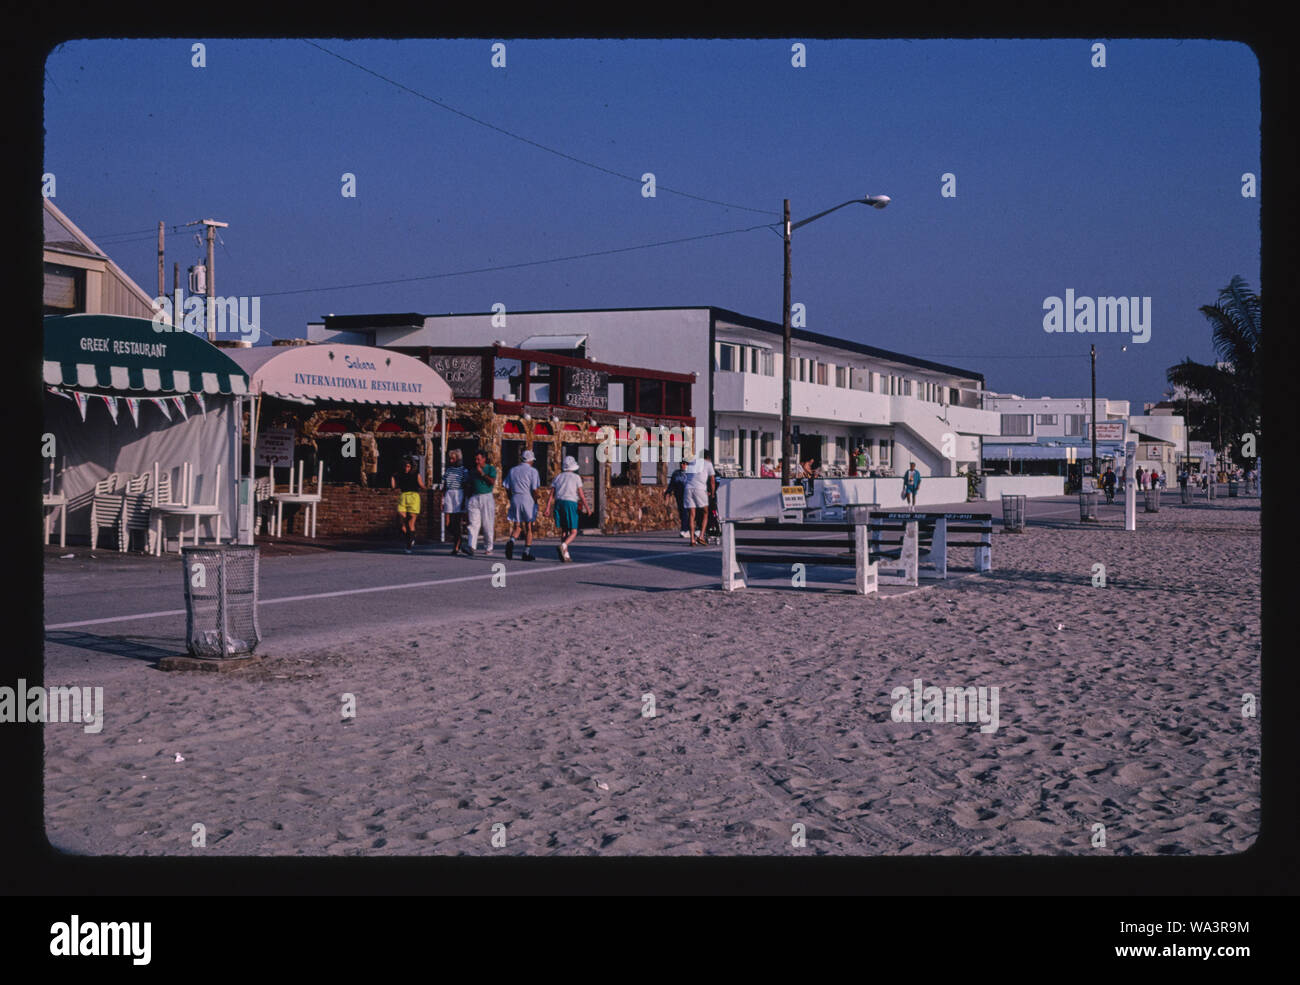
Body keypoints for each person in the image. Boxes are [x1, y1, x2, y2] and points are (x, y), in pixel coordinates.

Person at [548, 455, 588, 562]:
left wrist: (548, 508)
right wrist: (587, 507)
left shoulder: (558, 477)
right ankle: (564, 545)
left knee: (564, 530)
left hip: (559, 503)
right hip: (570, 503)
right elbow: (581, 494)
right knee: (574, 531)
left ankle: (566, 555)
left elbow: (551, 494)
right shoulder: (576, 477)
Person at [504, 450, 541, 561]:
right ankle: (526, 552)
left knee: (517, 526)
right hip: (527, 498)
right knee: (529, 527)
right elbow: (534, 489)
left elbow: (506, 486)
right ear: (531, 460)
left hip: (515, 497)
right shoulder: (533, 471)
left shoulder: (513, 470)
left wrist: (511, 497)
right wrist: (536, 500)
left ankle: (512, 541)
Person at [464, 450, 497, 556]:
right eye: (476, 459)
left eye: (479, 459)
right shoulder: (472, 471)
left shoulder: (490, 469)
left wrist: (482, 473)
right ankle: (471, 546)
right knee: (473, 523)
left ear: (484, 459)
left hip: (486, 497)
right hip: (474, 497)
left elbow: (492, 481)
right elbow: (469, 485)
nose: (477, 461)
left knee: (487, 523)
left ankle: (488, 547)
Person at [391, 456, 426, 553]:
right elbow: (394, 486)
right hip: (403, 496)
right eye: (405, 466)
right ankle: (411, 536)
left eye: (408, 466)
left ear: (411, 467)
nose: (406, 468)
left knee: (411, 522)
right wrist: (392, 478)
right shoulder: (400, 475)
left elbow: (421, 485)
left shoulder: (416, 474)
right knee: (401, 520)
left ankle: (409, 544)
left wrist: (428, 488)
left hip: (414, 497)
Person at [685, 449, 716, 546]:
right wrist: (712, 492)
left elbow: (688, 476)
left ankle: (692, 540)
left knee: (692, 514)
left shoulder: (691, 463)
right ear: (707, 457)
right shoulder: (708, 464)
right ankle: (701, 536)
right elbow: (712, 481)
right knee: (705, 512)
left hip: (688, 488)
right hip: (700, 489)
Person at [442, 449, 469, 555]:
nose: (451, 460)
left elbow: (466, 485)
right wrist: (442, 499)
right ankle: (459, 539)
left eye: (453, 458)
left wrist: (464, 500)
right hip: (449, 494)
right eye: (450, 458)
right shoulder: (448, 470)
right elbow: (444, 485)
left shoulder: (464, 470)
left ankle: (456, 546)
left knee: (457, 522)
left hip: (458, 494)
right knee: (448, 523)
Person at [665, 459, 690, 538]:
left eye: (684, 463)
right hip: (679, 495)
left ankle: (686, 529)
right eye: (681, 463)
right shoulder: (676, 474)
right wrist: (668, 493)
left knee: (688, 512)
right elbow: (672, 484)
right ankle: (685, 529)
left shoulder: (691, 473)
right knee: (682, 512)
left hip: (689, 496)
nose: (682, 465)